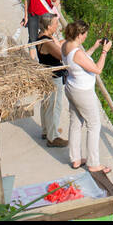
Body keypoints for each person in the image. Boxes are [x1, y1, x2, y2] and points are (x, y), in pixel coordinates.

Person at [61, 20, 111, 173]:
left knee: (76, 122)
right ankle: (93, 163)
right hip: (82, 91)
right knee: (94, 124)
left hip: (71, 87)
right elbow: (97, 69)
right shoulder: (77, 52)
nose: (86, 36)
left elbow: (80, 61)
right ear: (80, 34)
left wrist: (95, 47)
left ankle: (75, 158)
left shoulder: (66, 45)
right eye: (85, 34)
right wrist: (104, 52)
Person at [35, 13, 68, 147]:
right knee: (54, 106)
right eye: (55, 23)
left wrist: (62, 41)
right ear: (49, 26)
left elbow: (55, 48)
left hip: (47, 74)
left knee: (46, 104)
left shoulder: (43, 37)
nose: (57, 25)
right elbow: (61, 55)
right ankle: (53, 137)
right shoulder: (47, 42)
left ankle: (46, 130)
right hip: (54, 76)